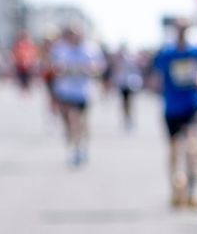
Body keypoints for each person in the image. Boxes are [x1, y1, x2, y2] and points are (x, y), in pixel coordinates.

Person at [152, 19, 197, 208]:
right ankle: (175, 190)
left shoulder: (196, 51)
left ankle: (192, 192)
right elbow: (157, 78)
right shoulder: (167, 54)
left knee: (193, 149)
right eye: (179, 30)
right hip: (172, 108)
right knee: (174, 151)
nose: (182, 33)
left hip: (192, 106)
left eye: (186, 29)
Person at [49, 24, 106, 168]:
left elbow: (100, 67)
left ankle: (82, 146)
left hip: (84, 91)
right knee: (72, 120)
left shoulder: (91, 48)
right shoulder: (61, 48)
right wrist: (62, 70)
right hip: (67, 91)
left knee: (83, 122)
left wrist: (88, 69)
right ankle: (75, 148)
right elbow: (53, 67)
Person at [111, 45, 143, 132]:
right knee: (124, 103)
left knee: (130, 102)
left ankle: (130, 119)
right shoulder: (119, 60)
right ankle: (125, 119)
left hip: (130, 84)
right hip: (122, 84)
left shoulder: (130, 60)